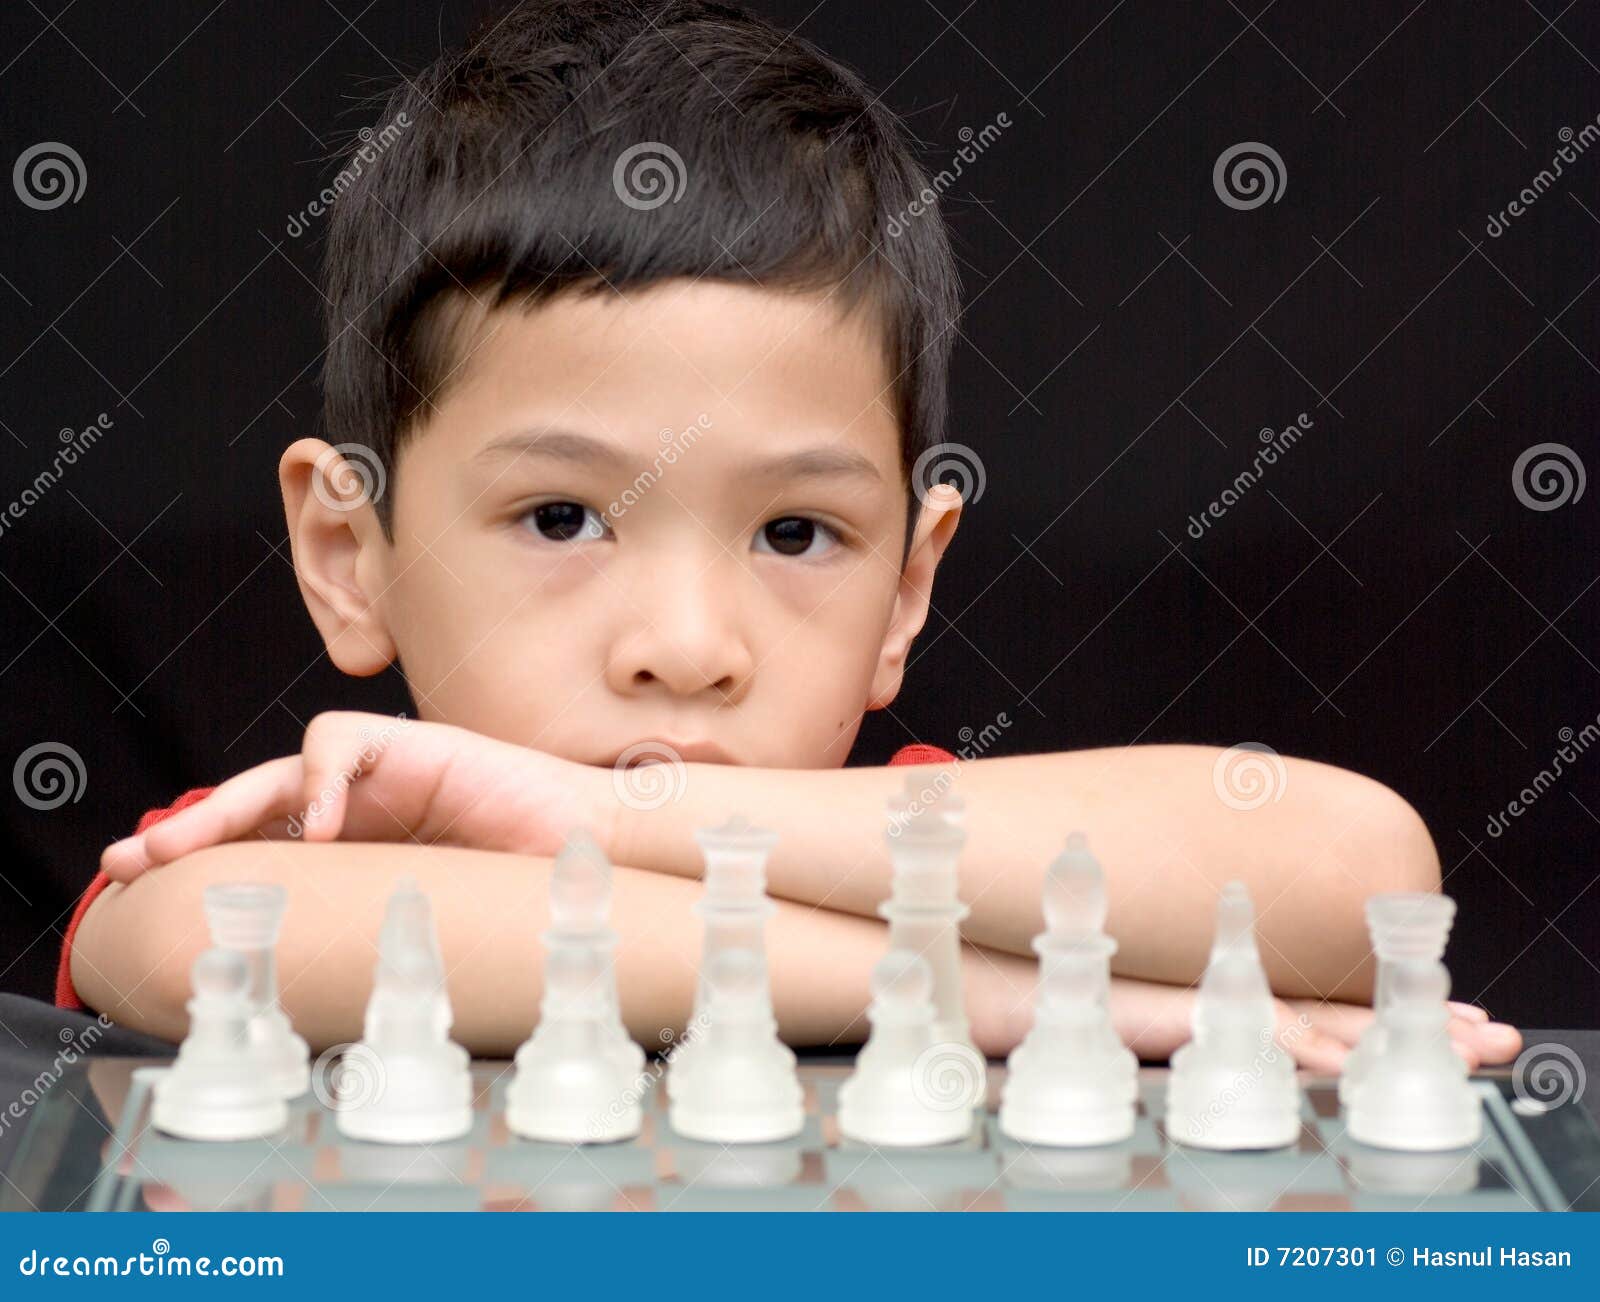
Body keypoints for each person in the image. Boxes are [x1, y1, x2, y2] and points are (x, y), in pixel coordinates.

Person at [59, 0, 1519, 1073]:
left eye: (798, 533)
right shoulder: (310, 851)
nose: (689, 648)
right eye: (562, 516)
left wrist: (592, 816)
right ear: (347, 555)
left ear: (909, 586)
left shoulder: (930, 846)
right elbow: (186, 942)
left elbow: (1366, 872)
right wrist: (999, 986)